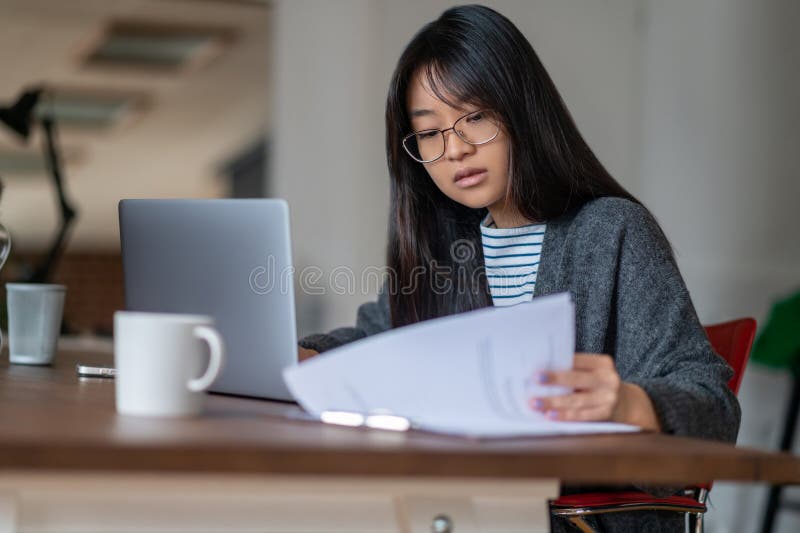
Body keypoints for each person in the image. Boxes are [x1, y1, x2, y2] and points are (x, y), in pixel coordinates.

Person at [297, 5, 740, 532]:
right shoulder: (446, 253)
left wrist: (626, 401)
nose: (455, 149)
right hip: (458, 514)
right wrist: (281, 355)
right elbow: (368, 345)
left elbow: (713, 408)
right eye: (430, 133)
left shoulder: (610, 233)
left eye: (475, 117)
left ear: (520, 111)